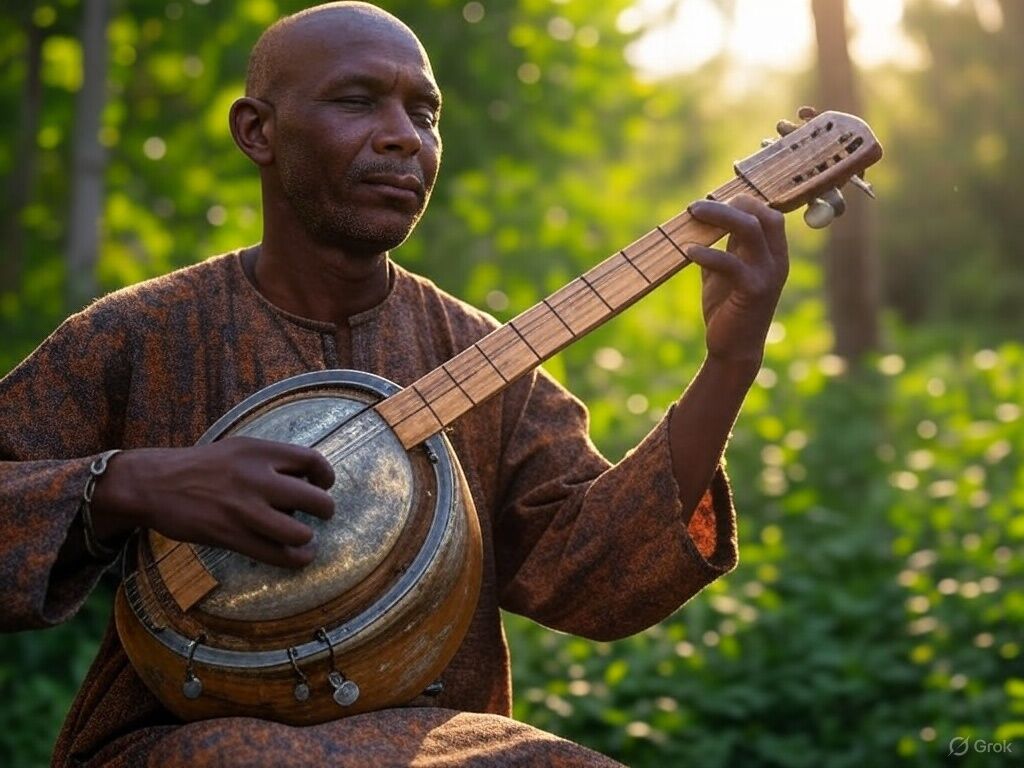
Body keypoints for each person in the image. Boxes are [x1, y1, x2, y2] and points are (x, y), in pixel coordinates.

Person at [0, 2, 789, 766]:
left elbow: (598, 582)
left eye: (426, 114)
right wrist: (126, 484)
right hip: (180, 735)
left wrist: (729, 365)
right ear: (257, 131)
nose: (403, 139)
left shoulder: (485, 357)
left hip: (433, 742)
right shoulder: (142, 334)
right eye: (357, 102)